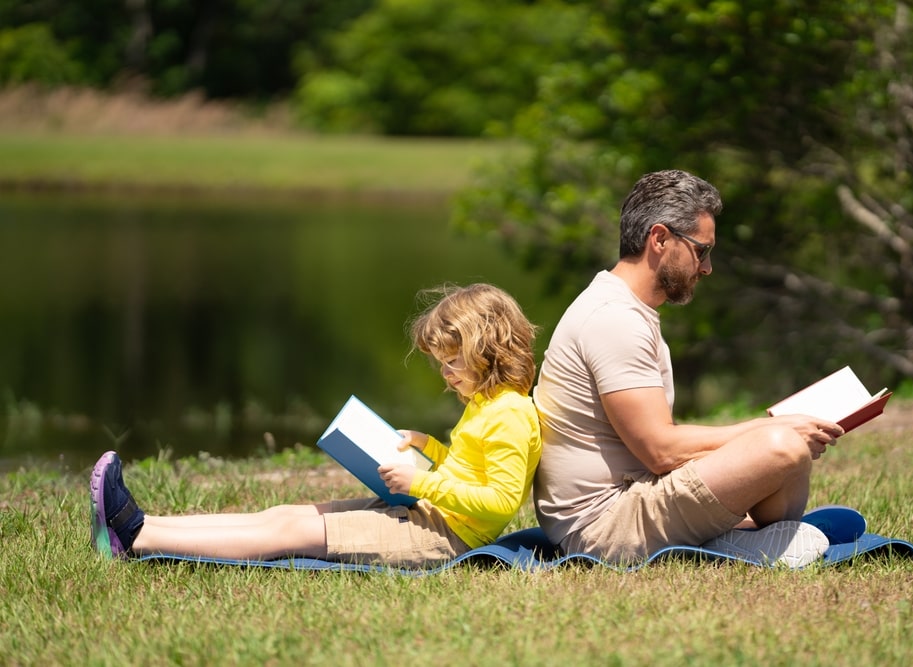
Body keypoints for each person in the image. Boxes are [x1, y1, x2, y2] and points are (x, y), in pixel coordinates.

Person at [89, 283, 542, 567]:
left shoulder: (511, 414)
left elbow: (499, 502)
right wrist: (431, 450)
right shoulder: (487, 403)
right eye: (442, 363)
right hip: (428, 513)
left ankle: (137, 538)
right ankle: (147, 523)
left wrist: (423, 483)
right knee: (285, 515)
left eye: (453, 361)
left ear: (491, 349)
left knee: (290, 535)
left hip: (445, 537)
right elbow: (472, 469)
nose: (446, 373)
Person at [532, 169, 844, 567]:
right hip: (605, 525)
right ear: (659, 239)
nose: (707, 267)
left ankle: (739, 537)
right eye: (701, 250)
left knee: (784, 447)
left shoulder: (625, 309)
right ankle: (728, 542)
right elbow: (661, 450)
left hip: (634, 496)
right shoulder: (614, 319)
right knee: (781, 445)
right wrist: (772, 428)